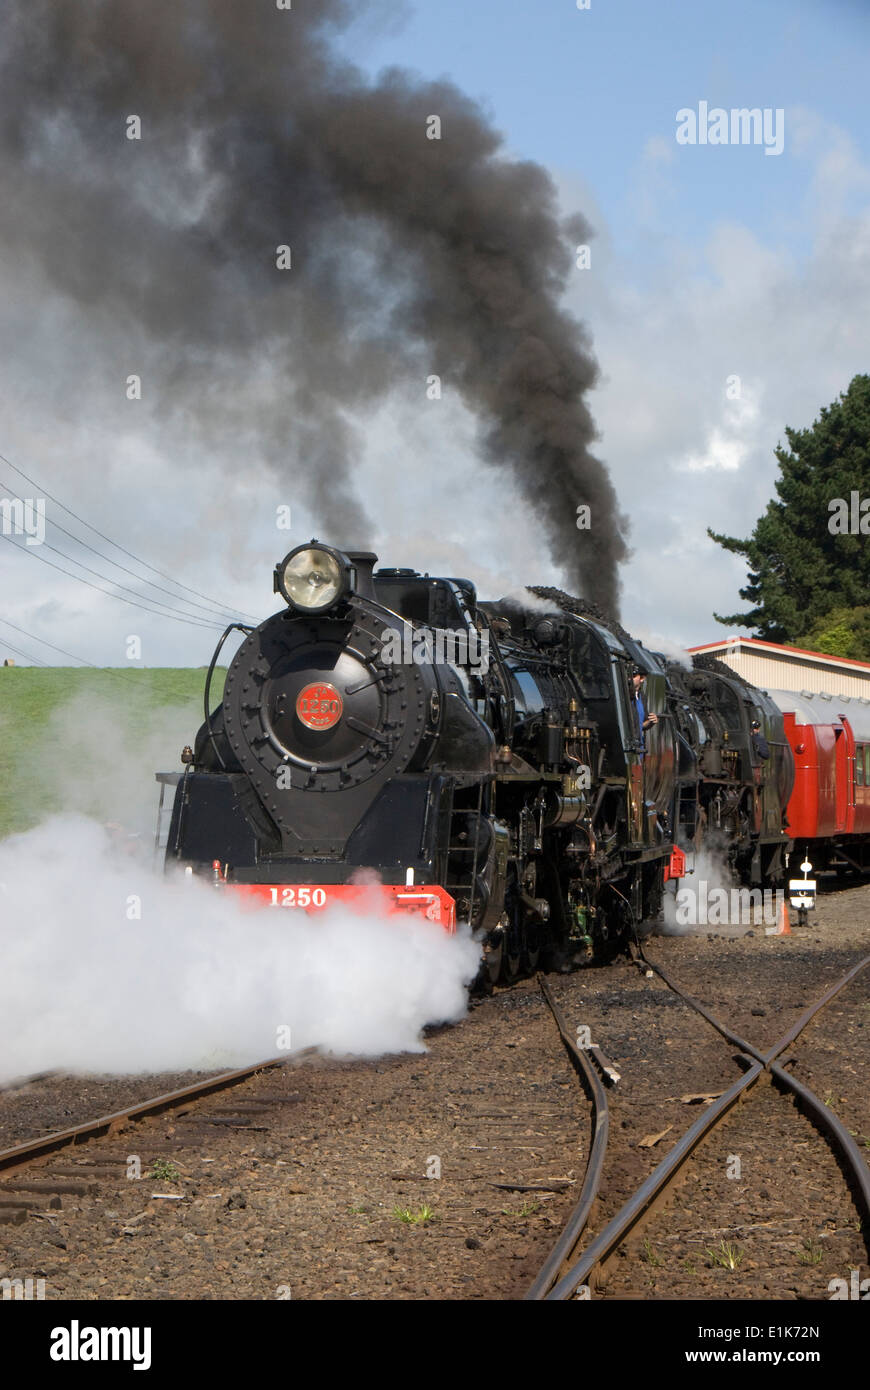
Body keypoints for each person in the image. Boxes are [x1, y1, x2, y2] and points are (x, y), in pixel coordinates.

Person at [632, 667, 658, 756]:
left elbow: (641, 725)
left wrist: (651, 721)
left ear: (642, 678)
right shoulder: (624, 696)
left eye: (633, 676)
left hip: (639, 747)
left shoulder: (642, 696)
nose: (629, 678)